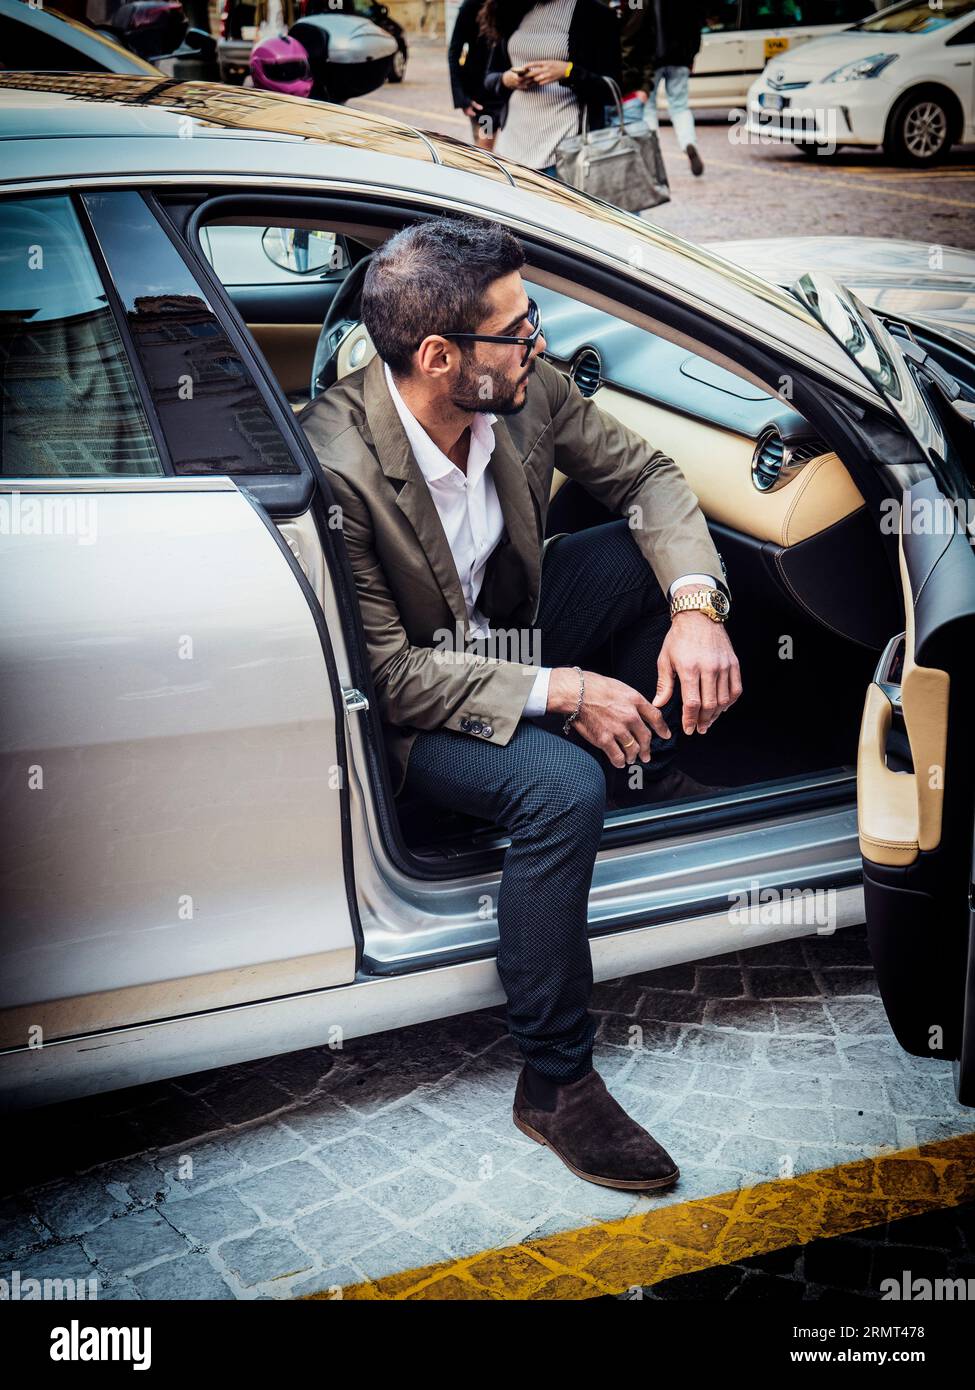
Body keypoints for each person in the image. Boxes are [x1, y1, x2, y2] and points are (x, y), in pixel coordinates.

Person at [299, 217, 741, 1192]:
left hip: (510, 630)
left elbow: (649, 478)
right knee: (560, 787)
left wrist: (698, 607)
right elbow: (390, 677)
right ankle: (555, 1081)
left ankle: (645, 764)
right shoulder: (336, 464)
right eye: (519, 324)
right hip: (417, 711)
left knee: (638, 562)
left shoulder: (521, 385)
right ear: (441, 355)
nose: (540, 338)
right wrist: (561, 692)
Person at [478, 0, 621, 178]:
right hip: (511, 146)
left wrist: (568, 72)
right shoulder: (512, 8)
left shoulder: (595, 13)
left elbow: (611, 89)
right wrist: (506, 79)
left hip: (564, 149)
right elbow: (490, 77)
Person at [620, 0, 706, 176]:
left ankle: (653, 154)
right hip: (680, 58)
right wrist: (691, 56)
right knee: (680, 107)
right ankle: (689, 143)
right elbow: (696, 24)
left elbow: (640, 27)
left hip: (653, 59)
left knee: (649, 109)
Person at [448, 0, 505, 148]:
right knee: (485, 151)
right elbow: (455, 52)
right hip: (483, 99)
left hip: (511, 91)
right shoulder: (471, 7)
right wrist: (461, 97)